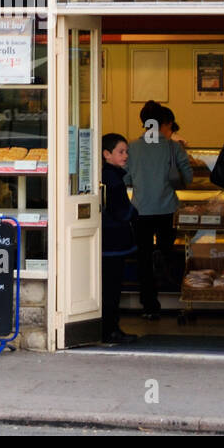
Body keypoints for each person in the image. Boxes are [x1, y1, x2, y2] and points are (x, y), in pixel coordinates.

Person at [128, 101, 192, 319]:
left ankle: (149, 305)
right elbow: (188, 179)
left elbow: (126, 178)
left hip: (141, 209)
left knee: (143, 258)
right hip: (167, 209)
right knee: (166, 252)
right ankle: (172, 291)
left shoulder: (133, 147)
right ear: (163, 121)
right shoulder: (173, 147)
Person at [101, 133, 139, 344]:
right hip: (114, 242)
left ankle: (108, 328)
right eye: (121, 152)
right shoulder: (113, 179)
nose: (125, 156)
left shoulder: (107, 175)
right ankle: (110, 330)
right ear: (107, 154)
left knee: (109, 288)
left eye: (126, 151)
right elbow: (121, 210)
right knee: (112, 289)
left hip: (108, 242)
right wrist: (134, 214)